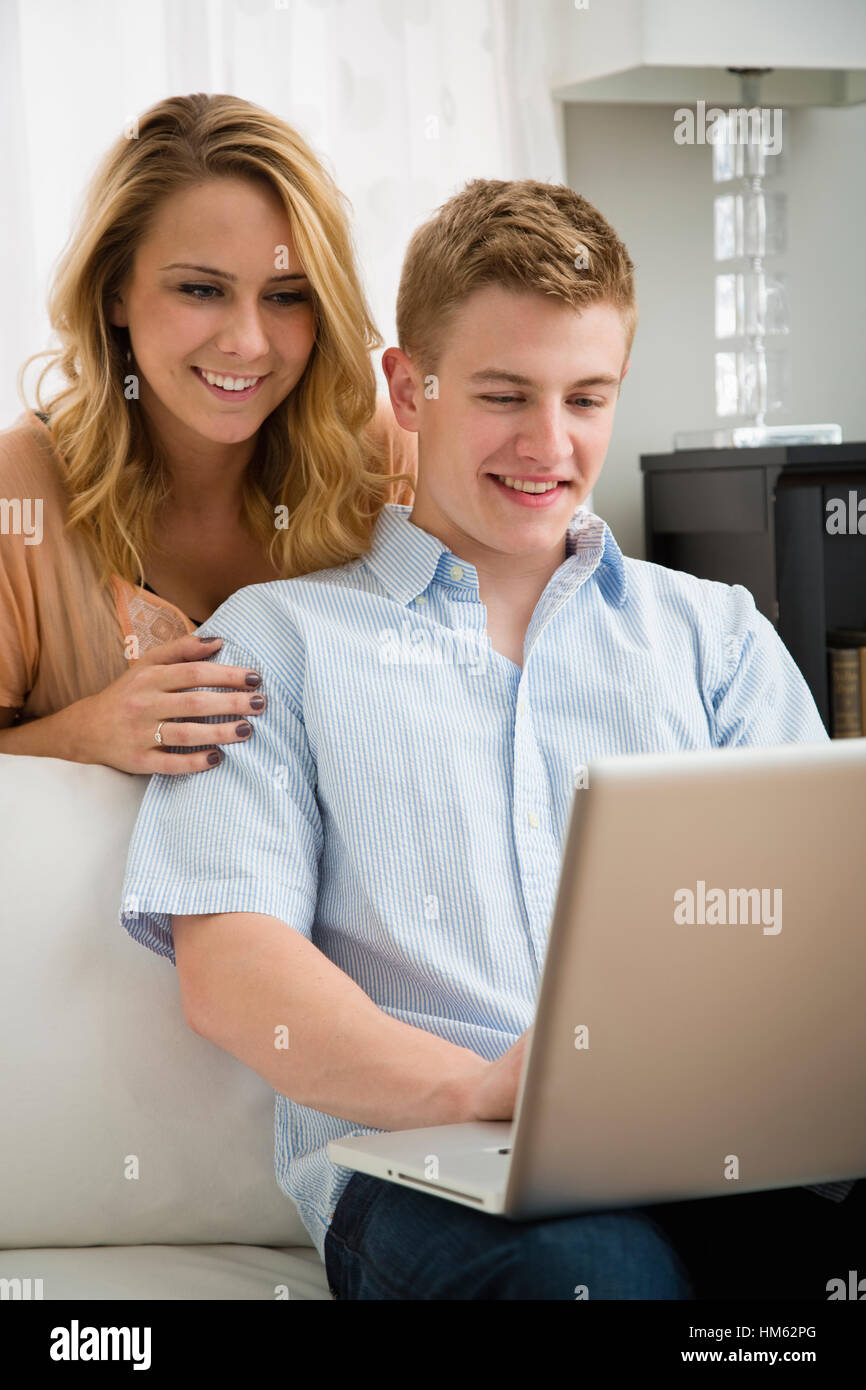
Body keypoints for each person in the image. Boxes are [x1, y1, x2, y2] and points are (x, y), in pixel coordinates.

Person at [119, 176, 860, 1300]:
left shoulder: (711, 637)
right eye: (504, 395)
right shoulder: (274, 645)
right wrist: (484, 1088)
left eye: (586, 398)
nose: (548, 445)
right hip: (424, 1168)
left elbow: (816, 935)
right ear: (408, 388)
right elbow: (232, 974)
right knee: (587, 1279)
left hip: (706, 1151)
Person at [0, 93, 416, 775]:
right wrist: (86, 733)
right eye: (200, 290)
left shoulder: (384, 452)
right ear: (114, 292)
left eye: (286, 296)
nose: (249, 344)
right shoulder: (17, 493)